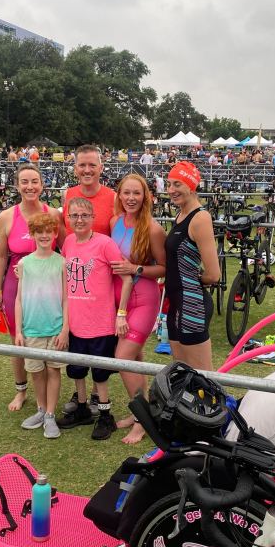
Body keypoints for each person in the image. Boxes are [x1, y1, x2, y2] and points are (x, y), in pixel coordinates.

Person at [0, 163, 65, 411]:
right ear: (17, 185)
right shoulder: (6, 217)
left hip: (50, 288)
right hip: (16, 286)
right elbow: (0, 256)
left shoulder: (53, 215)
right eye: (25, 182)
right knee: (18, 339)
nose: (30, 186)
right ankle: (21, 390)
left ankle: (48, 393)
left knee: (50, 334)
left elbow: (66, 248)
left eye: (35, 181)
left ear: (42, 185)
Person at [57, 198, 133, 441]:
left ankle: (105, 415)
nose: (79, 220)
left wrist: (121, 314)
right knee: (77, 369)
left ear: (92, 218)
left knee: (100, 374)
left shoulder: (105, 244)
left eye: (84, 215)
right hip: (76, 323)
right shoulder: (68, 242)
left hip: (100, 323)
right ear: (68, 218)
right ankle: (81, 409)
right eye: (74, 215)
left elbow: (127, 278)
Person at [109, 174, 167, 444]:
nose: (131, 198)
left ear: (146, 196)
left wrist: (136, 269)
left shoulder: (153, 228)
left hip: (144, 299)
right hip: (120, 300)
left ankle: (144, 422)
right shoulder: (114, 223)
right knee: (134, 359)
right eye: (126, 193)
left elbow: (163, 269)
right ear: (119, 195)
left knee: (122, 357)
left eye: (137, 193)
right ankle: (138, 413)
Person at [15, 212, 69, 440]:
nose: (45, 236)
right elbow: (19, 299)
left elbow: (67, 299)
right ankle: (40, 408)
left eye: (49, 232)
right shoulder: (24, 263)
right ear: (33, 234)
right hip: (31, 329)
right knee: (36, 373)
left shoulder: (62, 262)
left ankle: (50, 414)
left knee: (53, 370)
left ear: (55, 234)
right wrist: (18, 330)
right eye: (40, 232)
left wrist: (65, 328)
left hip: (55, 329)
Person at [164, 161, 220, 370]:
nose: (171, 190)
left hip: (192, 305)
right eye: (169, 184)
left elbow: (214, 275)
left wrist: (191, 279)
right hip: (176, 304)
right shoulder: (180, 215)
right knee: (182, 374)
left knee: (202, 377)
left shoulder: (200, 218)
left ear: (191, 185)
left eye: (177, 184)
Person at [63, 145, 116, 236]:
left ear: (101, 168)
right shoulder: (67, 194)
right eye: (82, 165)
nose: (87, 170)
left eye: (92, 165)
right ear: (75, 169)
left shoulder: (114, 198)